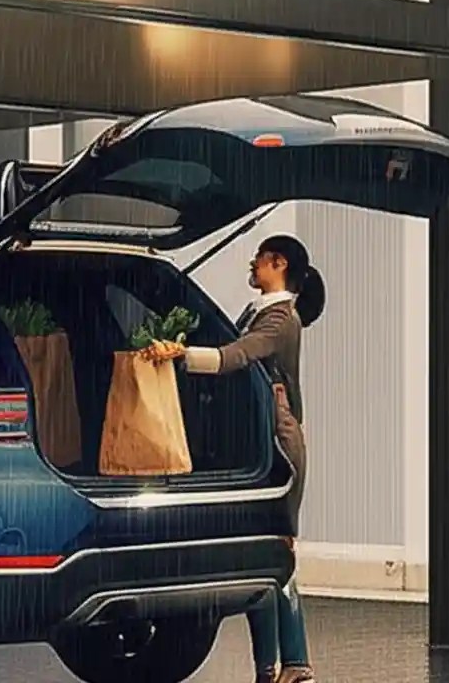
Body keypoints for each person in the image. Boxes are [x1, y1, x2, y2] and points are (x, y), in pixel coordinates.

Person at [144, 234, 325, 683]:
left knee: (276, 555)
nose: (252, 263)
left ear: (279, 263)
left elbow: (237, 355)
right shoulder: (260, 311)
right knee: (259, 559)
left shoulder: (280, 319)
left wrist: (183, 355)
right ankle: (269, 668)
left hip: (276, 443)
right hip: (258, 441)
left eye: (260, 258)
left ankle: (295, 664)